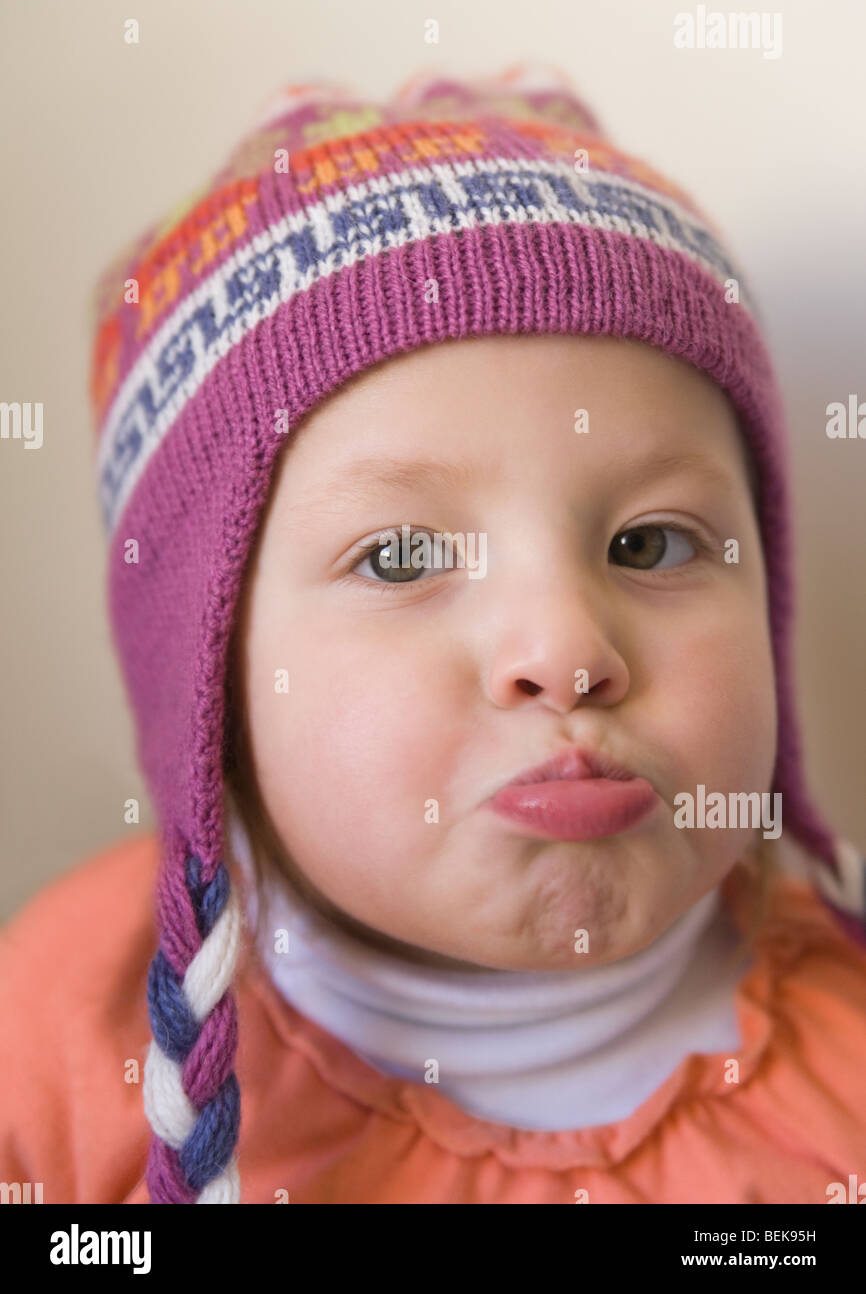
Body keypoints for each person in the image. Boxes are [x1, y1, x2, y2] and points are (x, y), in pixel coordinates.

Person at [2, 63, 865, 1205]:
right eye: (401, 558)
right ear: (202, 679)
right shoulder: (52, 1045)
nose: (565, 653)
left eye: (649, 545)